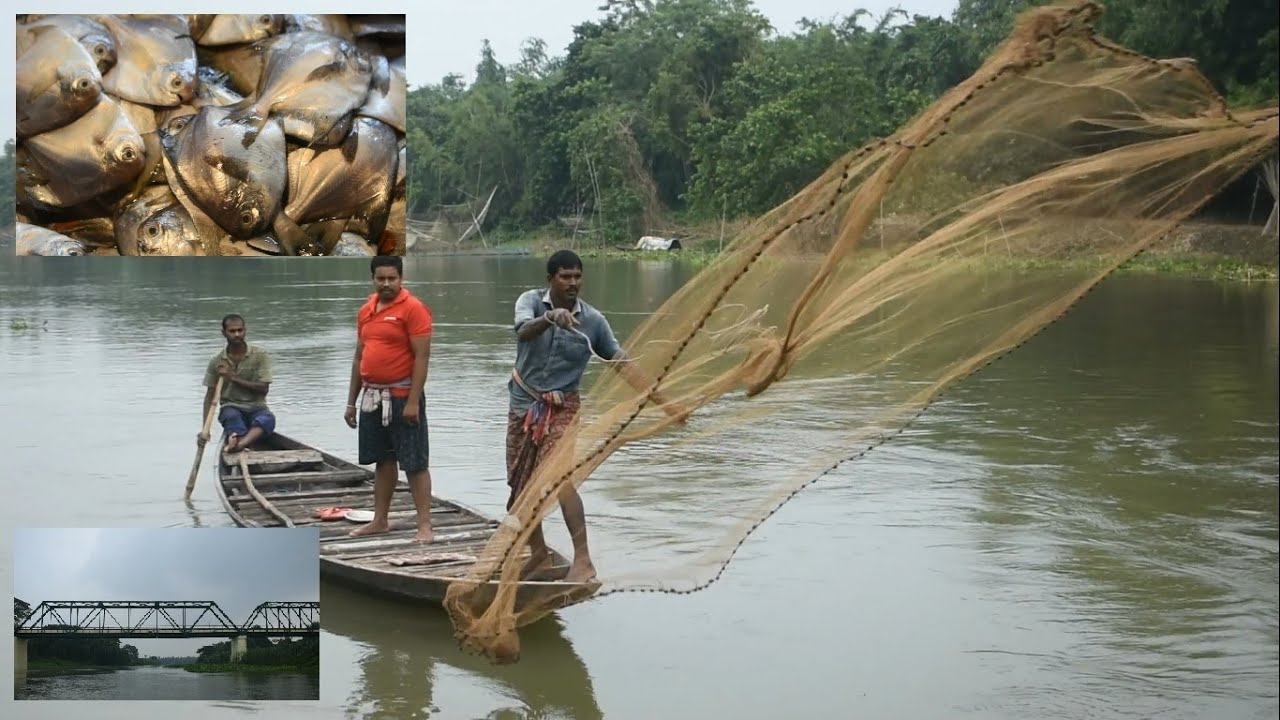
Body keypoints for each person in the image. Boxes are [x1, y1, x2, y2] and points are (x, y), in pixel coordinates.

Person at [506, 249, 688, 584]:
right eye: (565, 276)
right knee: (520, 492)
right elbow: (522, 331)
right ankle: (539, 555)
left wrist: (665, 404)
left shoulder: (593, 321)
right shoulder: (531, 302)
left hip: (564, 409)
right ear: (551, 280)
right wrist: (549, 318)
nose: (573, 283)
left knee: (559, 480)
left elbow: (622, 364)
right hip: (523, 405)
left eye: (577, 276)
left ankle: (584, 561)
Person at [344, 256, 435, 542]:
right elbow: (360, 357)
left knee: (415, 463)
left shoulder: (413, 309)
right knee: (383, 462)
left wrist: (412, 401)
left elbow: (422, 357)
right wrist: (350, 402)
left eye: (391, 278)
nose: (386, 284)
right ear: (373, 278)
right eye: (381, 278)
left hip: (402, 396)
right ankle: (380, 520)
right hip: (372, 398)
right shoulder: (366, 311)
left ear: (401, 278)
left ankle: (425, 526)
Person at [201, 314, 276, 454]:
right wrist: (205, 429)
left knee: (267, 419)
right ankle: (240, 441)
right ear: (224, 333)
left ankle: (239, 445)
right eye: (232, 331)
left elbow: (263, 389)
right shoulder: (217, 362)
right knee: (231, 417)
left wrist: (233, 377)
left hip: (256, 407)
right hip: (232, 406)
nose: (237, 334)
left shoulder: (260, 356)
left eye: (240, 330)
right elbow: (210, 396)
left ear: (245, 330)